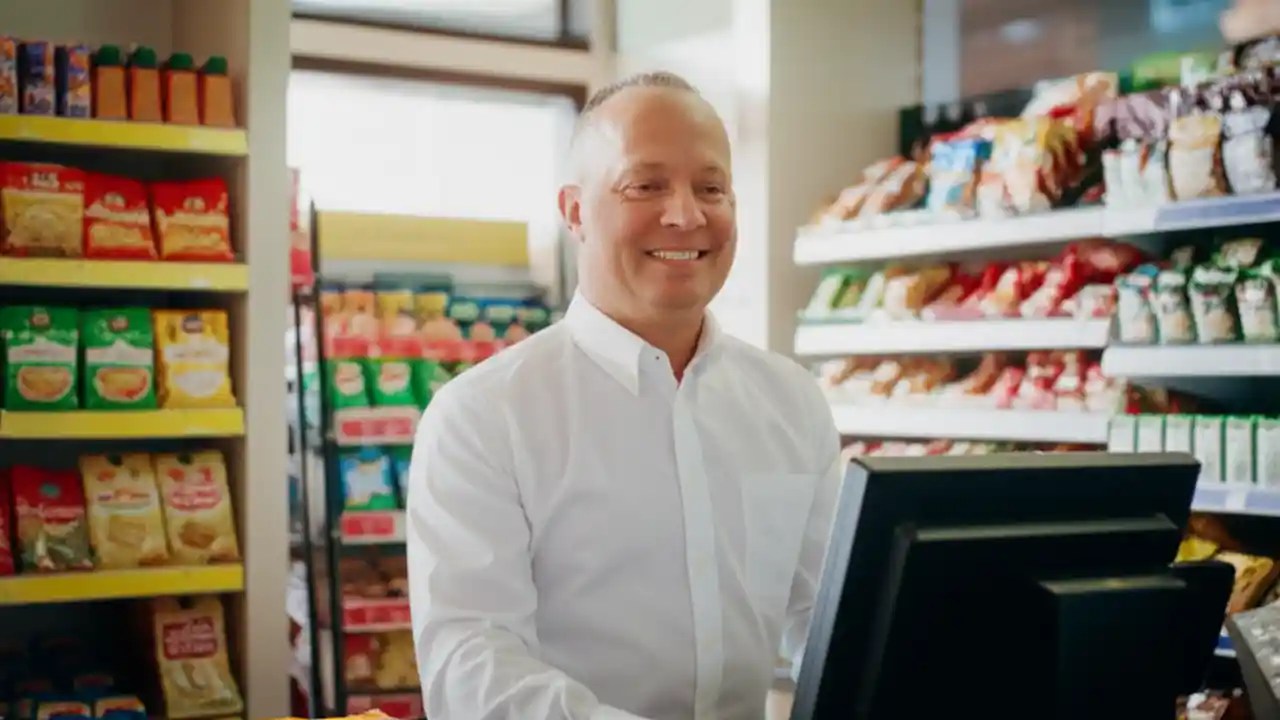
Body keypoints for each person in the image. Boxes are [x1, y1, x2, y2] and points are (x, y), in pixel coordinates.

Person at [407, 71, 842, 720]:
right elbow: (473, 666)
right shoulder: (483, 417)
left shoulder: (792, 401)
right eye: (647, 185)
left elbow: (824, 616)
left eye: (711, 187)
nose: (686, 214)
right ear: (575, 211)